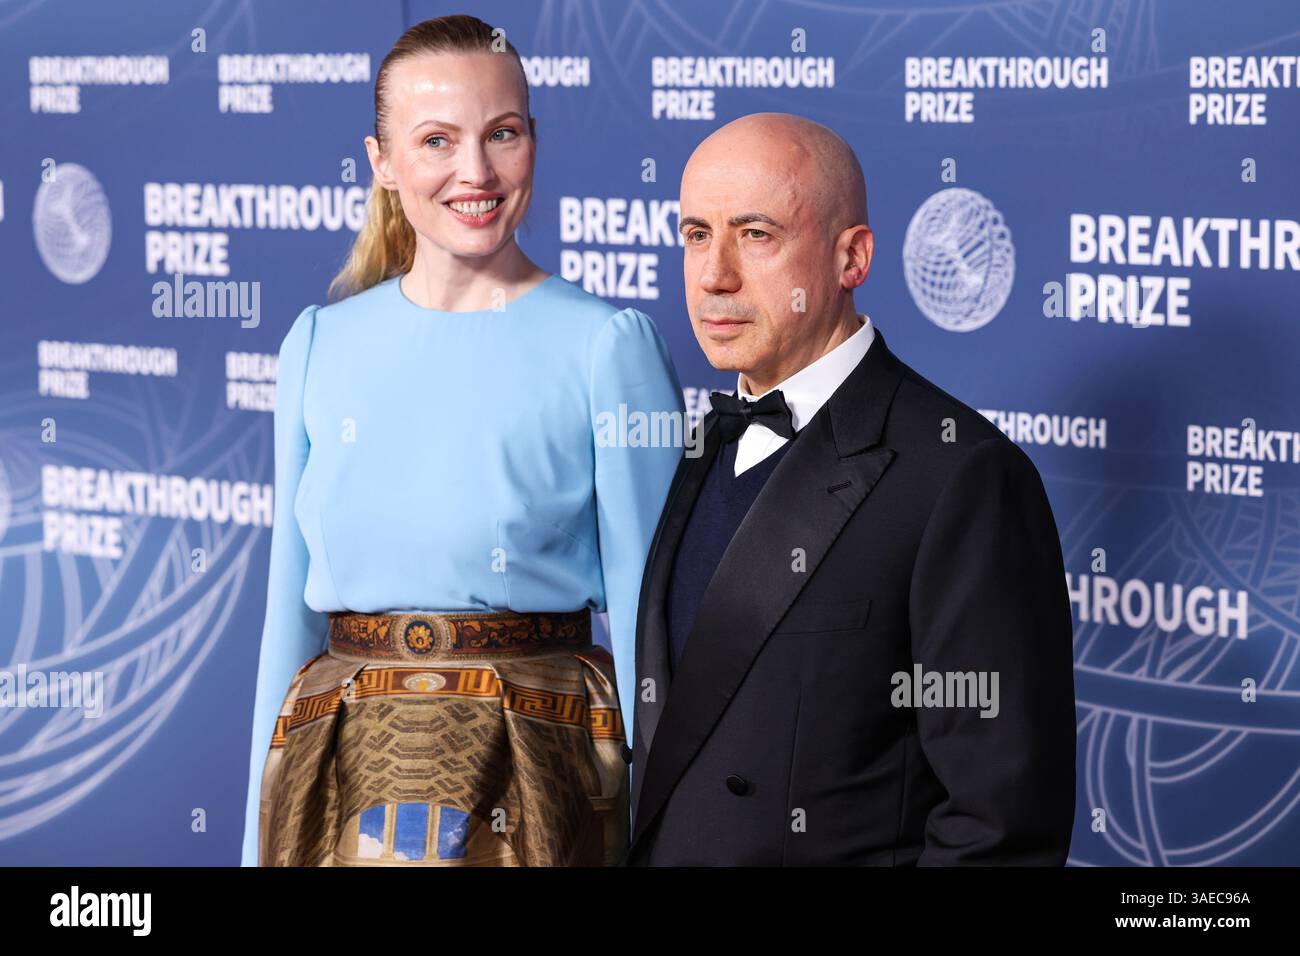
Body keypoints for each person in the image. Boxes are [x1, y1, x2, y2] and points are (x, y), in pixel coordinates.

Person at [241, 14, 683, 866]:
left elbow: (646, 627)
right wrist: (259, 833)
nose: (474, 172)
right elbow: (286, 624)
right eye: (436, 140)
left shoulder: (606, 347)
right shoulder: (317, 345)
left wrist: (653, 833)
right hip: (333, 774)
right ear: (381, 163)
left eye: (502, 134)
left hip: (542, 773)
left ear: (533, 141)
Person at [628, 112, 1076, 865]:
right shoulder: (704, 440)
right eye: (697, 235)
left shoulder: (961, 477)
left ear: (852, 258)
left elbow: (998, 824)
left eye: (757, 234)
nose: (714, 275)